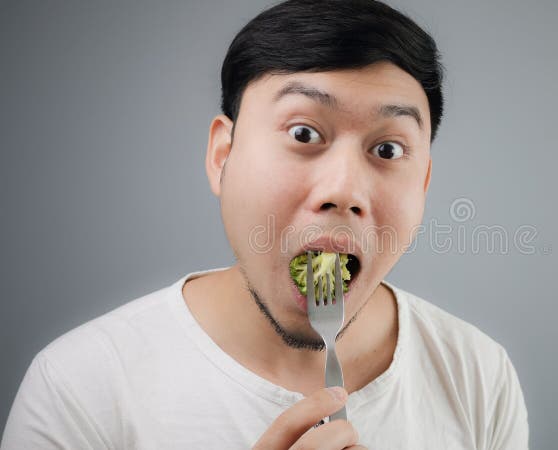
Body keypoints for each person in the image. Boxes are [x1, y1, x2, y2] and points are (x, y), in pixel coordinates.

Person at [1, 0, 529, 448]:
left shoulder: (478, 375)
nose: (343, 191)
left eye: (387, 149)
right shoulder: (80, 388)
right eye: (303, 134)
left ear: (424, 185)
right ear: (222, 156)